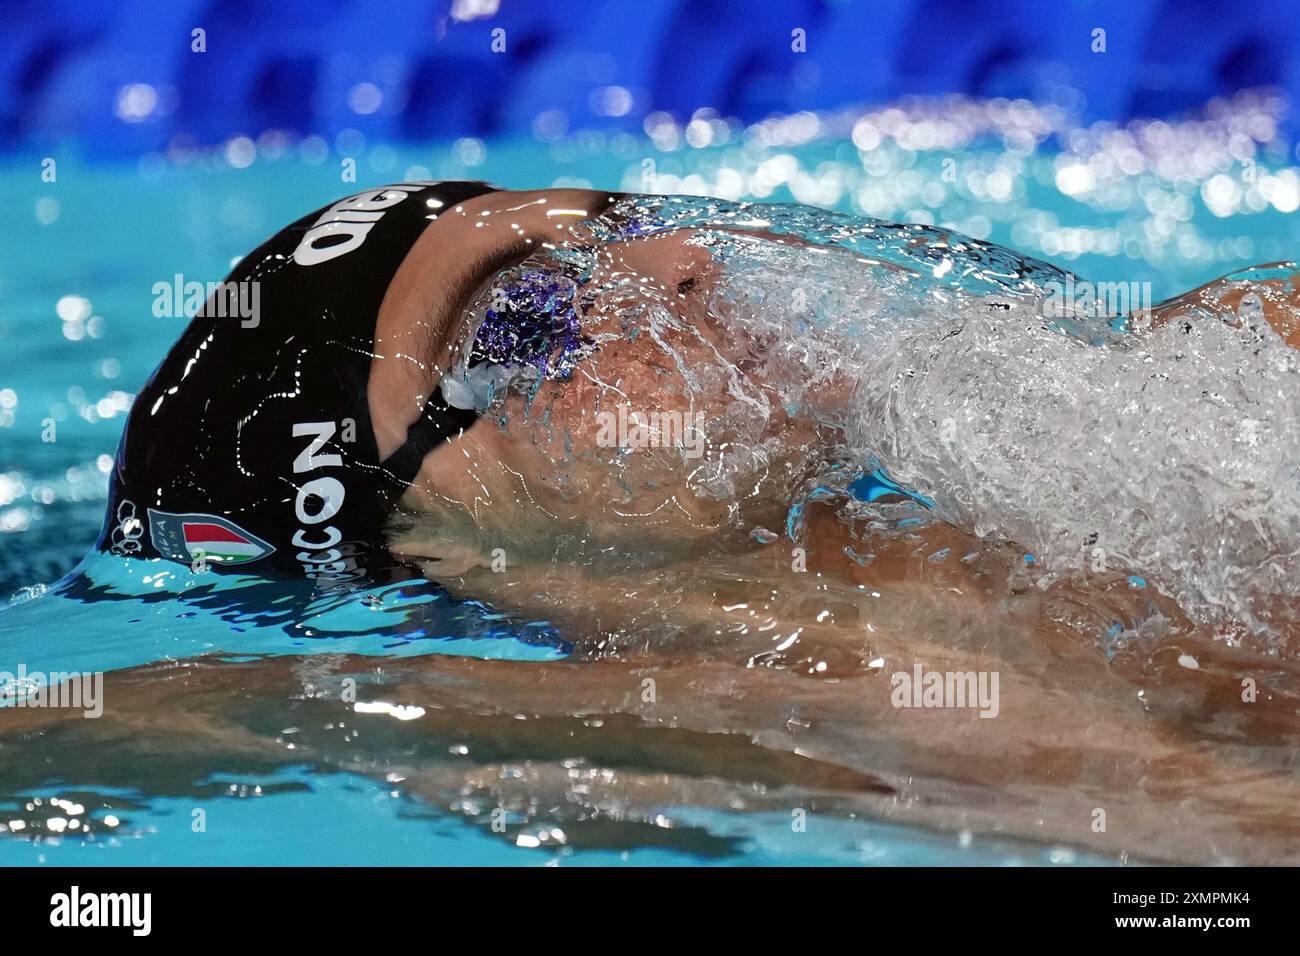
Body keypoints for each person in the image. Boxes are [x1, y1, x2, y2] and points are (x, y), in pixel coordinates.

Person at [100, 180, 1300, 647]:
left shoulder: (1175, 379)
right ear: (425, 538)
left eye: (610, 227)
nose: (679, 261)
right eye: (526, 326)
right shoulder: (795, 702)